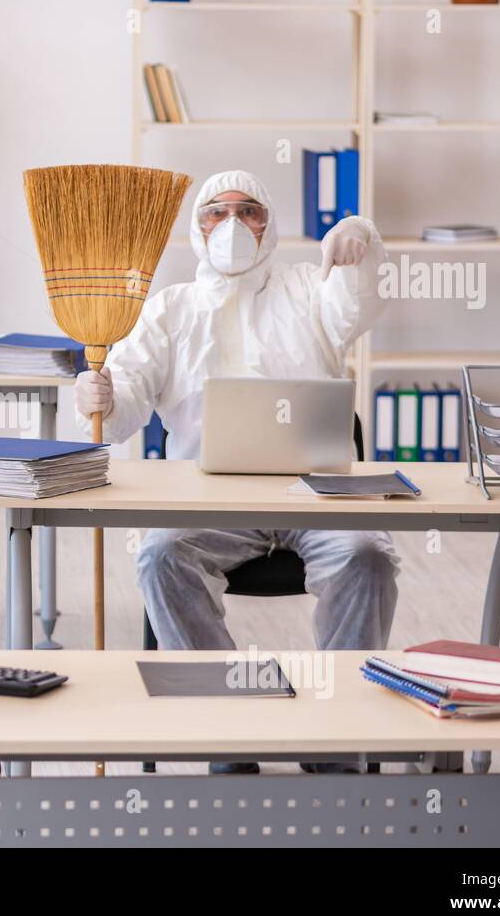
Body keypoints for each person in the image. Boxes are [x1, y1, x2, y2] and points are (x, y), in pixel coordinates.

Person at [74, 169, 400, 771]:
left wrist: (362, 241)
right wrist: (100, 396)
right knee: (158, 554)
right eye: (214, 213)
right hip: (208, 504)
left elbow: (363, 299)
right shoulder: (170, 308)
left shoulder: (311, 287)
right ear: (196, 229)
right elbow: (123, 408)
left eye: (247, 211)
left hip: (317, 495)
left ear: (269, 222)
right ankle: (231, 728)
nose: (231, 225)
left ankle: (339, 741)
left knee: (367, 554)